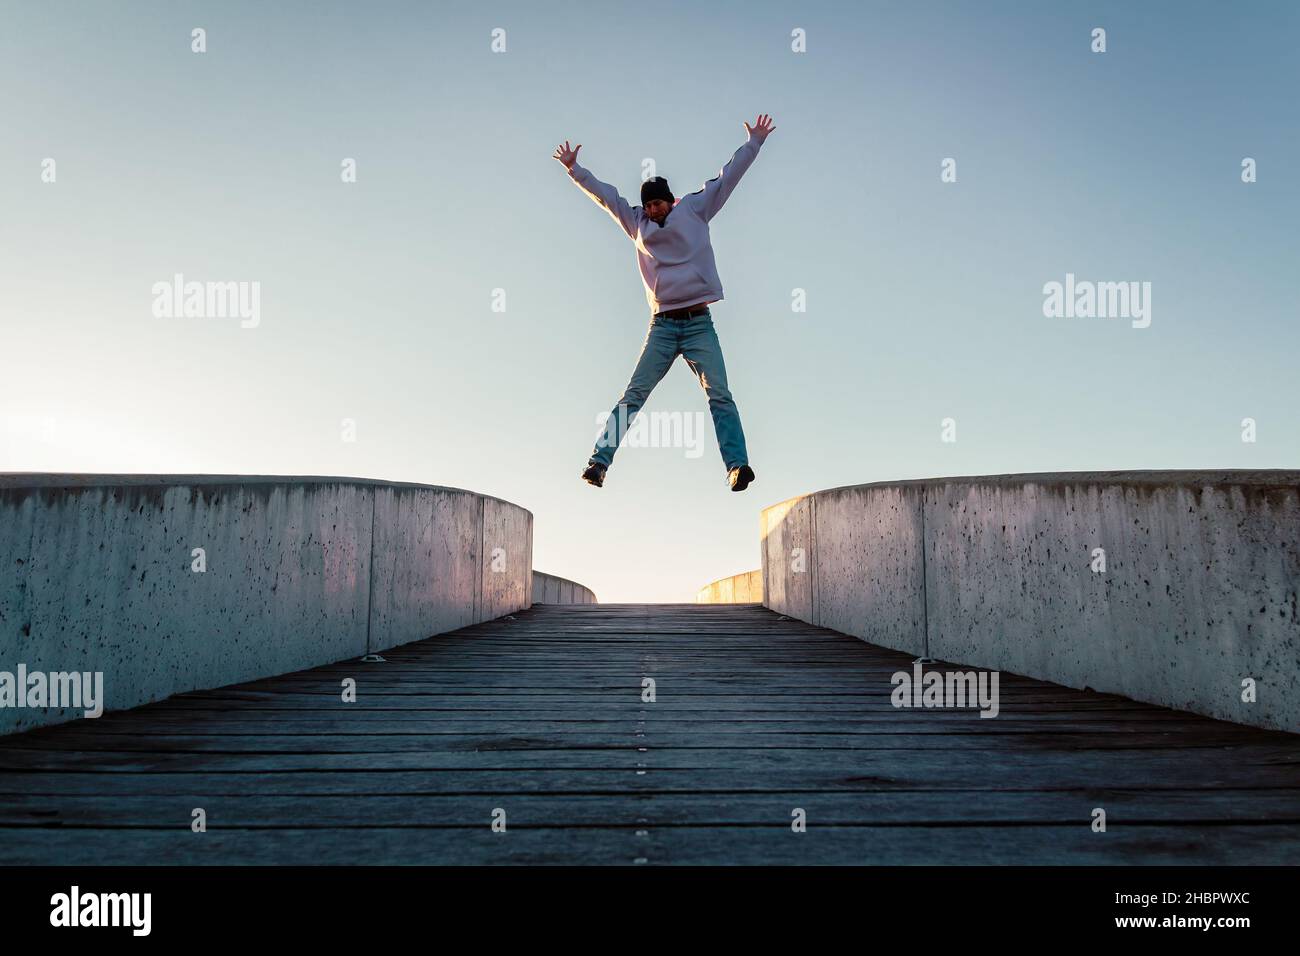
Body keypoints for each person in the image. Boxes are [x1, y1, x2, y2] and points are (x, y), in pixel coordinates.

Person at [553, 114, 775, 492]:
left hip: (699, 324)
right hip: (663, 326)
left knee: (719, 393)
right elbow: (607, 197)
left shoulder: (694, 209)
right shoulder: (636, 222)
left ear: (670, 201)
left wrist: (754, 143)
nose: (654, 211)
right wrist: (575, 169)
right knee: (633, 394)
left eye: (659, 204)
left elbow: (727, 179)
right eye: (649, 206)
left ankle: (737, 466)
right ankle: (598, 462)